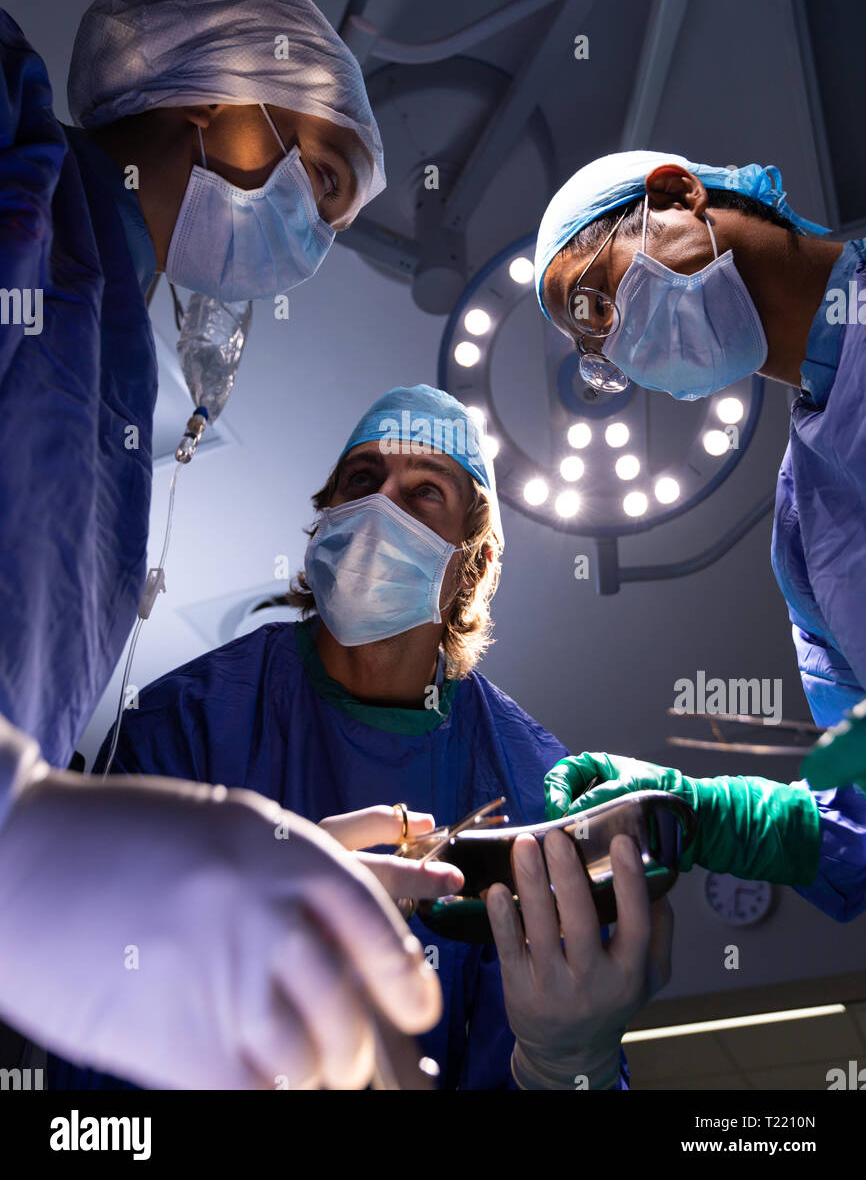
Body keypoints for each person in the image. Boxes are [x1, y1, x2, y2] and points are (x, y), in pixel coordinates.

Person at [0, 0, 447, 1089]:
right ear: (226, 95)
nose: (318, 237)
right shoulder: (17, 156)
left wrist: (241, 856)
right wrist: (25, 842)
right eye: (326, 183)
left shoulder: (113, 384)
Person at [51, 385, 674, 1091]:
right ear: (325, 521)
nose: (381, 506)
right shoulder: (186, 726)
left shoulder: (532, 786)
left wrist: (566, 1068)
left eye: (424, 492)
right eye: (362, 481)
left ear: (471, 562)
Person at [534, 151, 866, 919]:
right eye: (595, 352)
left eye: (593, 306)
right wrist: (696, 811)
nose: (613, 346)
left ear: (675, 194)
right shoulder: (808, 532)